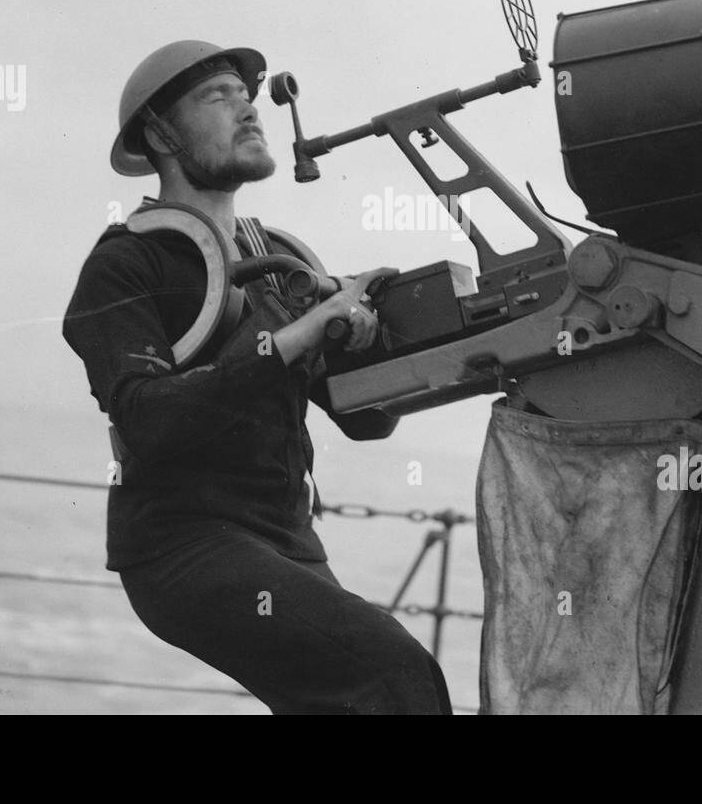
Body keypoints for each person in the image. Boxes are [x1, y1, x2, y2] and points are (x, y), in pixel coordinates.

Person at [62, 39, 452, 715]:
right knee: (395, 675)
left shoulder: (279, 258)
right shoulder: (124, 266)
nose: (247, 111)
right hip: (184, 545)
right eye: (219, 98)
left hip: (287, 540)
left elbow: (364, 419)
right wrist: (298, 335)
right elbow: (148, 419)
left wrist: (369, 336)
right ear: (159, 134)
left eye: (248, 99)